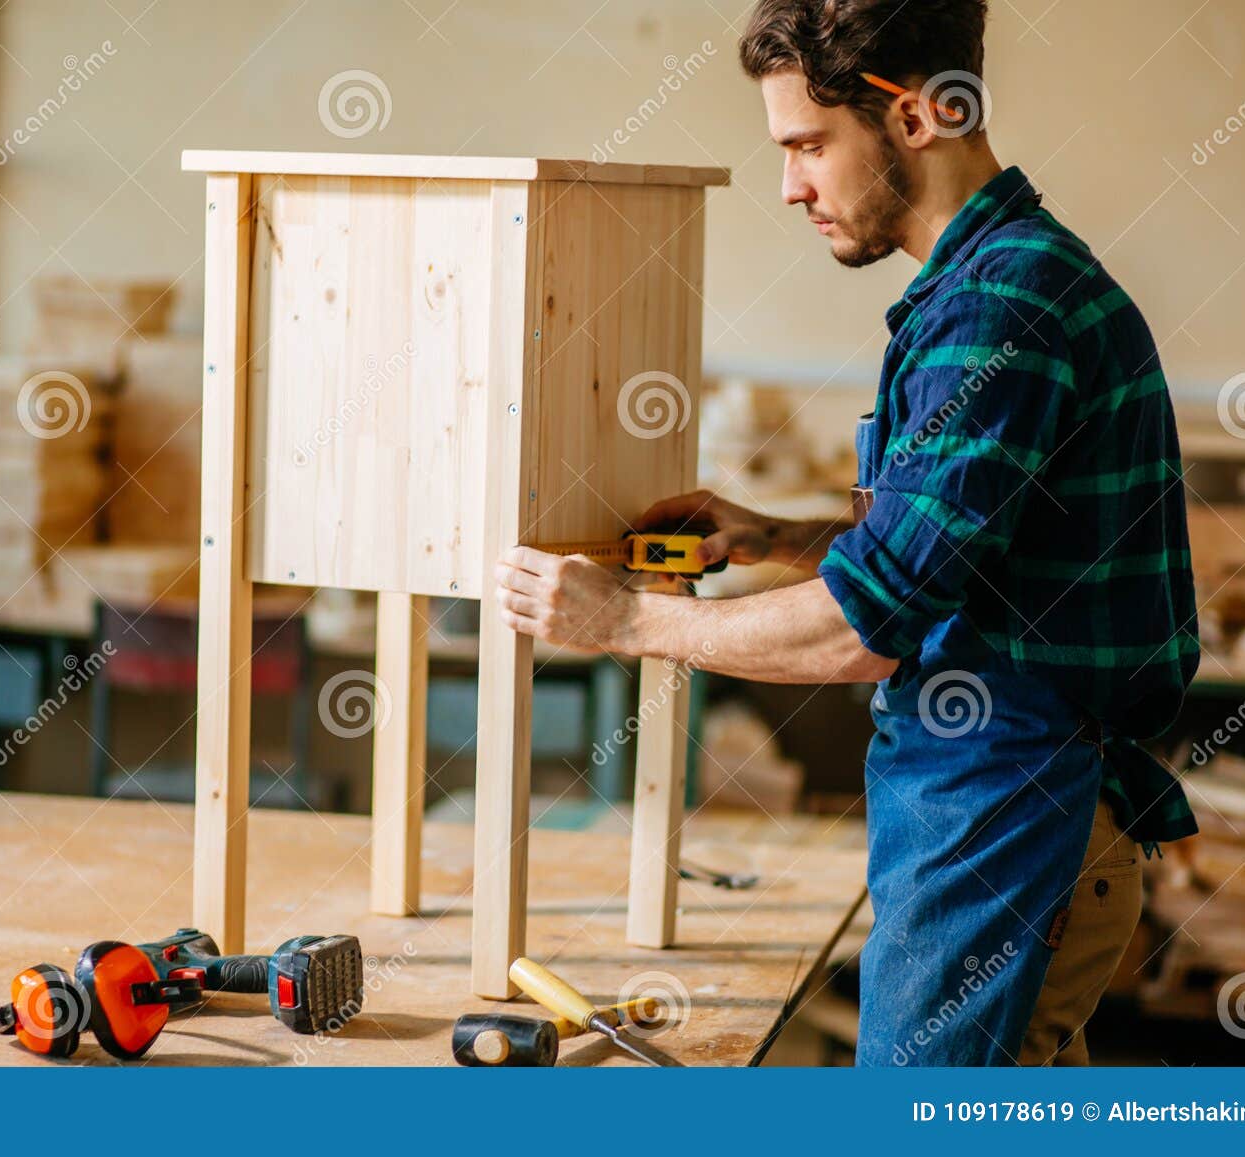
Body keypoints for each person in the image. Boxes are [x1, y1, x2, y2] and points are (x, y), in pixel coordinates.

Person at [493, 0, 1199, 1065]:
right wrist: (776, 535)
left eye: (808, 146)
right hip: (1005, 809)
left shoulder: (1003, 308)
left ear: (915, 118)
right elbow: (948, 566)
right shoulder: (982, 287)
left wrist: (627, 620)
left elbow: (860, 631)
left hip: (1012, 816)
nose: (789, 186)